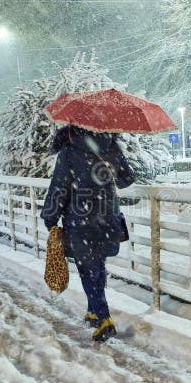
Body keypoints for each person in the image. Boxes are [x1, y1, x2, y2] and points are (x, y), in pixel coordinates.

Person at [41, 126, 134, 341]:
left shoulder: (69, 151)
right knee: (97, 266)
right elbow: (127, 179)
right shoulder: (110, 145)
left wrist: (50, 216)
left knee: (87, 269)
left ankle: (103, 318)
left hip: (81, 220)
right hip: (107, 217)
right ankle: (93, 311)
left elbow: (59, 187)